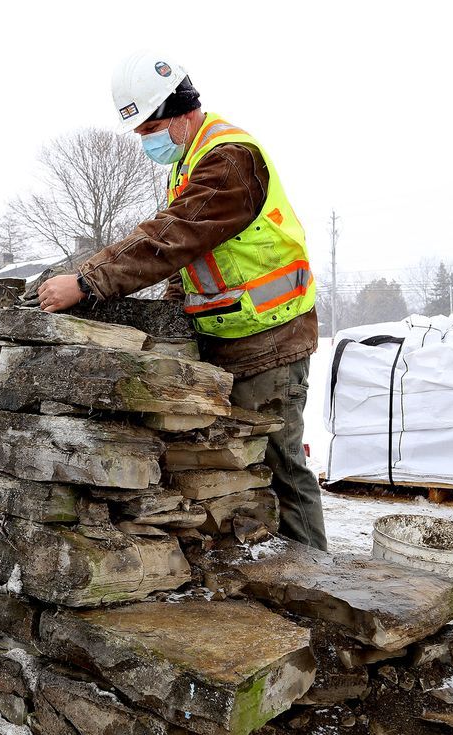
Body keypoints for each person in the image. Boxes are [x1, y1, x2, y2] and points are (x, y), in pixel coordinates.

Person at [37, 52, 327, 550]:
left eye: (148, 127)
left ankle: (320, 583)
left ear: (178, 112)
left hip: (271, 340)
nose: (143, 139)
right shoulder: (190, 163)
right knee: (242, 470)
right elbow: (194, 260)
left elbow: (174, 236)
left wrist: (88, 281)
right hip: (231, 337)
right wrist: (175, 307)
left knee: (281, 468)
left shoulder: (228, 159)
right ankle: (268, 572)